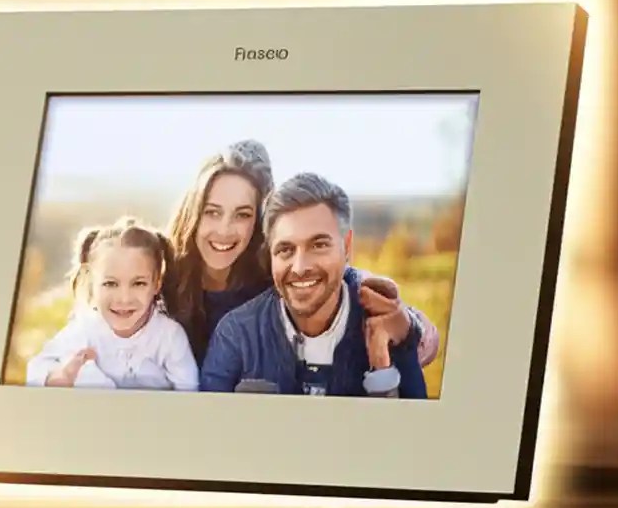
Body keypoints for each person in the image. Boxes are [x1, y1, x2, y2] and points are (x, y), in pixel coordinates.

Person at [163, 140, 440, 366]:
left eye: (242, 215)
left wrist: (406, 325)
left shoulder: (275, 275)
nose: (224, 230)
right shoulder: (160, 275)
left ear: (259, 224)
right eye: (212, 212)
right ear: (193, 211)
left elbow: (426, 340)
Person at [200, 173, 428, 398]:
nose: (300, 268)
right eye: (285, 249)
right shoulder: (236, 336)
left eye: (318, 245)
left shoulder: (386, 322)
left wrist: (391, 356)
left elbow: (416, 417)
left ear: (347, 247)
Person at [26, 218, 198, 391]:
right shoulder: (83, 329)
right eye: (110, 284)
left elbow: (190, 392)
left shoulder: (169, 336)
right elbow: (36, 369)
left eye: (138, 283)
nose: (124, 298)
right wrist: (60, 376)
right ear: (92, 283)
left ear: (156, 284)